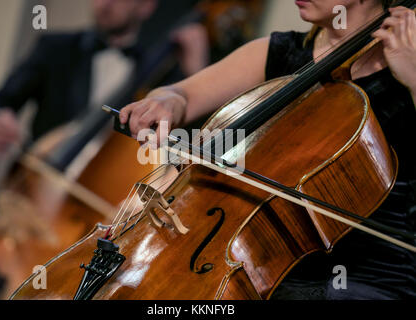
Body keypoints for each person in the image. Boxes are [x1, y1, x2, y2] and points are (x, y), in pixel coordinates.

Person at [118, 0, 416, 299]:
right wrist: (168, 101)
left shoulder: (411, 64)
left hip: (374, 279)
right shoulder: (278, 51)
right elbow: (181, 94)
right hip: (264, 265)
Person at [0, 0, 209, 242]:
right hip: (25, 196)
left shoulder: (162, 77)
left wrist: (195, 74)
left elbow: (186, 153)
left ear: (145, 6)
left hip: (83, 222)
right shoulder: (55, 49)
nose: (104, 3)